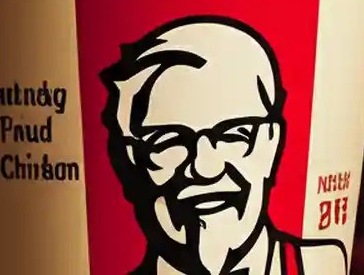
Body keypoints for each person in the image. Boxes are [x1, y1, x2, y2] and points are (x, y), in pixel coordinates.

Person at [100, 16, 347, 275]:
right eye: (169, 141)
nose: (206, 168)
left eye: (234, 135)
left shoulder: (323, 266)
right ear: (130, 161)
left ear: (271, 144)